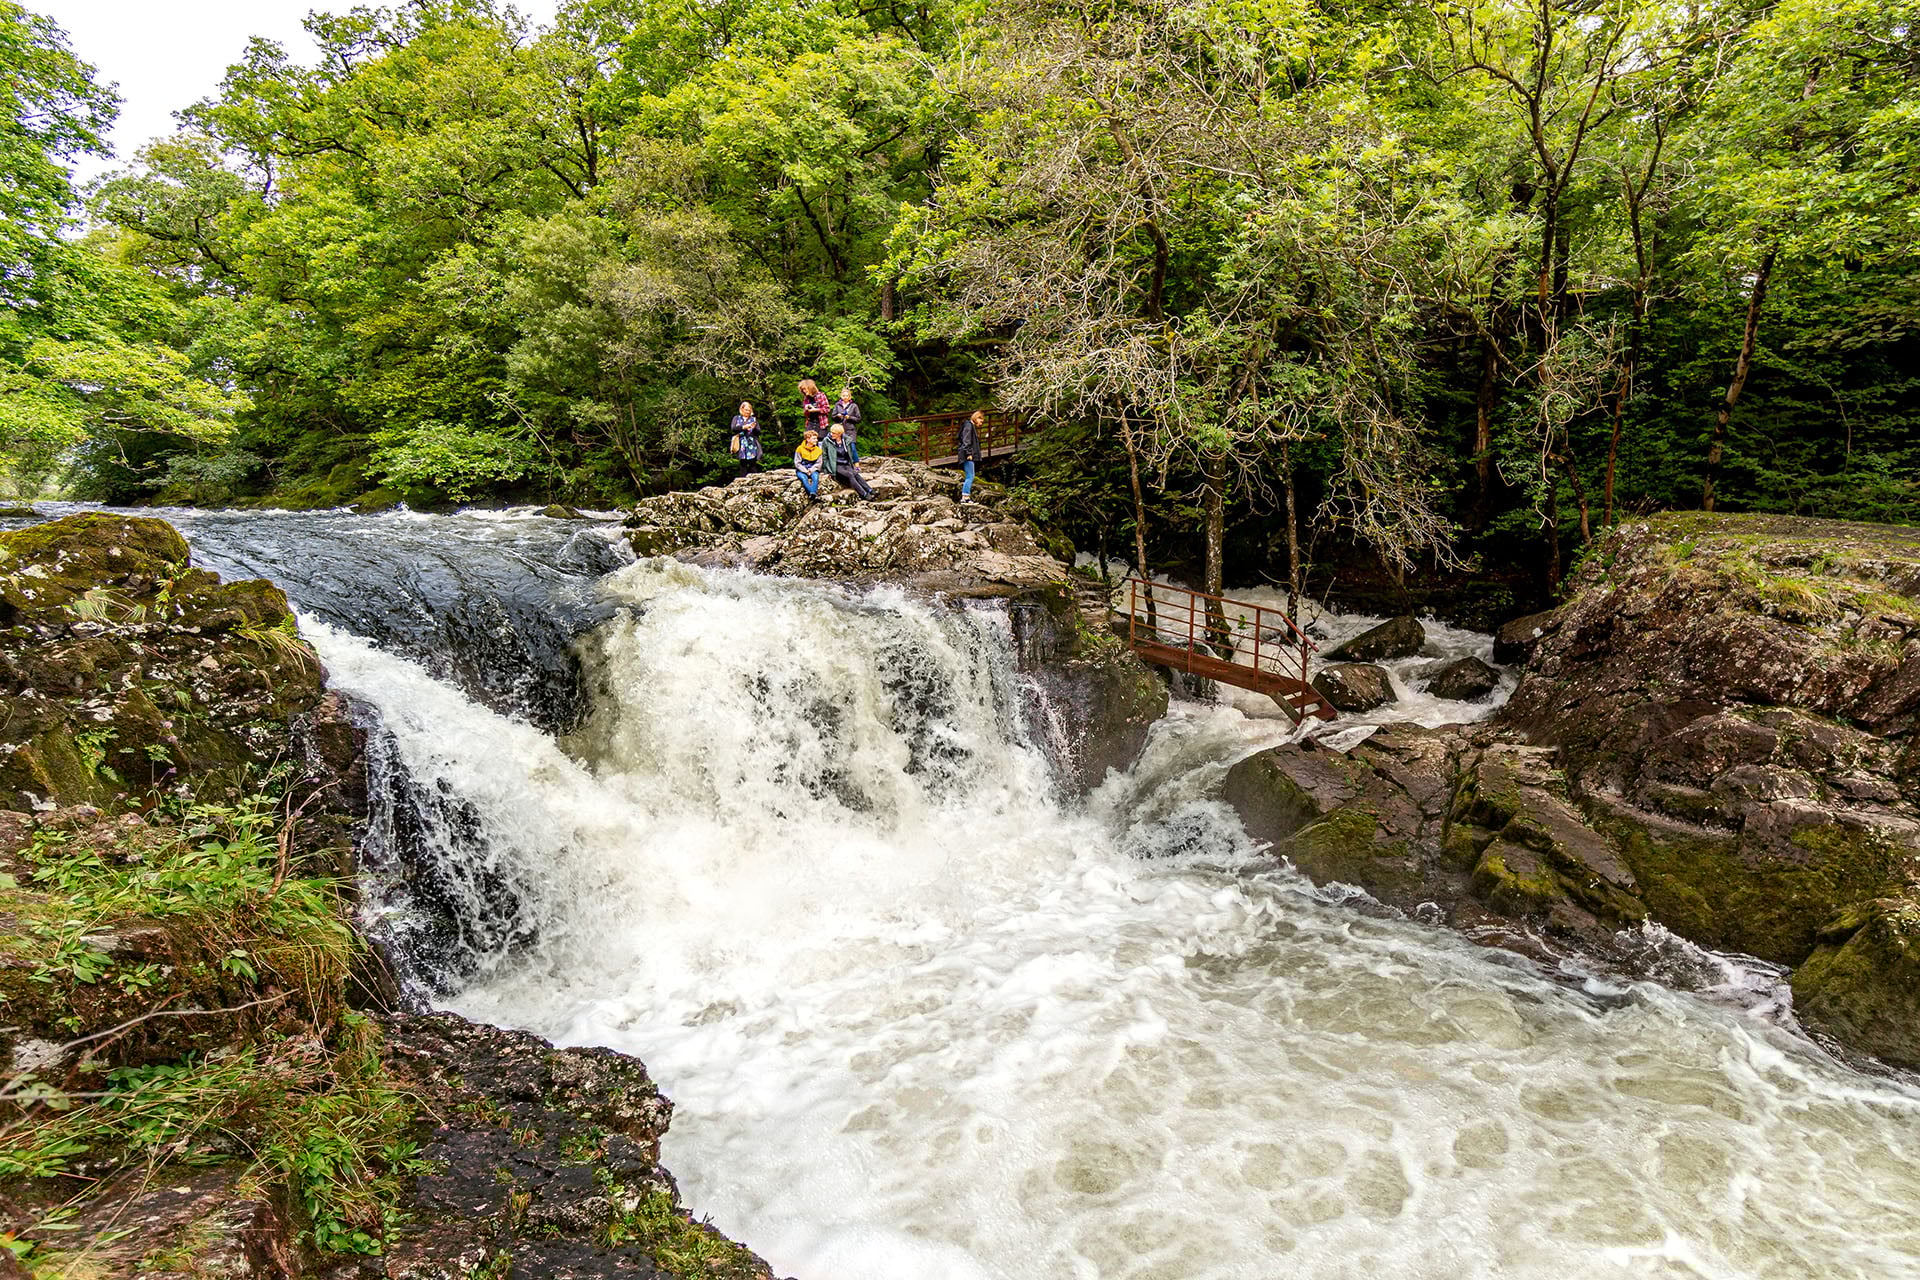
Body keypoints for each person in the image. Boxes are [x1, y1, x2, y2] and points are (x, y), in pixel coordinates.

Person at [824, 422, 873, 500]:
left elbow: (852, 452)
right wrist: (828, 470)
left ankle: (869, 490)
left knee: (855, 473)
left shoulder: (846, 440)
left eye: (834, 433)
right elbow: (825, 457)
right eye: (831, 432)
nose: (831, 434)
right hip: (835, 465)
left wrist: (855, 463)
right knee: (850, 475)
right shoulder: (826, 441)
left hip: (845, 463)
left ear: (839, 434)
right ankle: (863, 494)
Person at [957, 408, 986, 500]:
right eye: (980, 420)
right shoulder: (968, 426)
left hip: (967, 454)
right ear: (976, 418)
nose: (981, 423)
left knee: (970, 475)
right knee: (970, 476)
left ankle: (966, 496)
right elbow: (966, 441)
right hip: (967, 455)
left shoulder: (969, 426)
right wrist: (969, 453)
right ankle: (965, 497)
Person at [730, 401, 762, 480]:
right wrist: (743, 427)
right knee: (743, 463)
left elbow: (759, 432)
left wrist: (753, 428)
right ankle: (742, 480)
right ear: (742, 409)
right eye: (746, 410)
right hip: (741, 442)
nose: (748, 411)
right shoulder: (737, 418)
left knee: (753, 463)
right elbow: (733, 428)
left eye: (749, 410)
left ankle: (755, 480)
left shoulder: (753, 419)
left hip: (751, 443)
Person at [830, 387, 862, 462]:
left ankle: (856, 464)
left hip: (850, 430)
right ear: (841, 396)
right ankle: (845, 463)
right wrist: (838, 416)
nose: (845, 397)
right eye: (843, 395)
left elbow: (858, 419)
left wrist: (849, 417)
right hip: (839, 430)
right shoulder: (837, 405)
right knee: (841, 448)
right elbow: (833, 417)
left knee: (852, 447)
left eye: (847, 396)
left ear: (849, 397)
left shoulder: (854, 406)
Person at [794, 428, 824, 500]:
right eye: (814, 439)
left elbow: (819, 463)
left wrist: (811, 470)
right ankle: (813, 493)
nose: (816, 440)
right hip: (802, 469)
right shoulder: (800, 449)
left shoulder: (818, 450)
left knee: (815, 477)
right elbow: (797, 463)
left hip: (813, 468)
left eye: (816, 438)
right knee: (804, 478)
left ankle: (812, 494)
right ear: (808, 439)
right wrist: (805, 471)